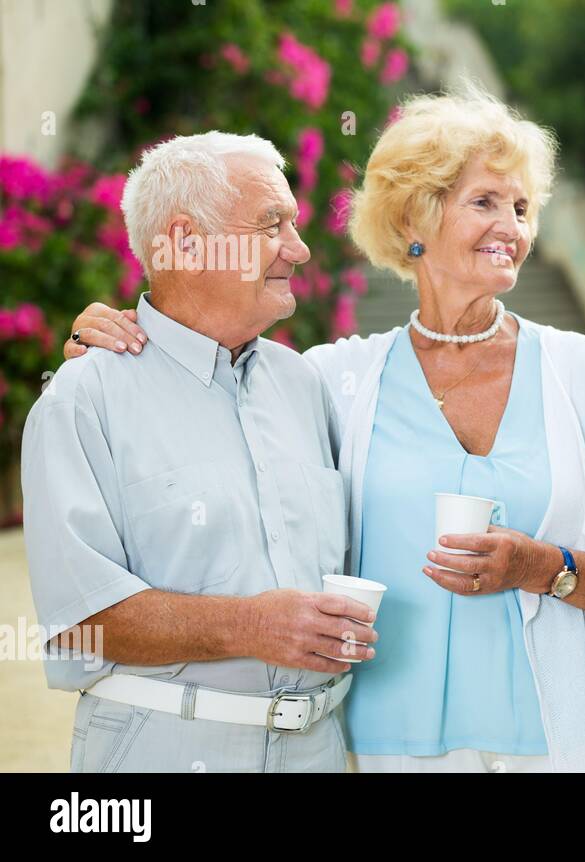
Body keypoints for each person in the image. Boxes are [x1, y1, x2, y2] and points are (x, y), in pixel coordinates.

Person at [61, 89, 585, 772]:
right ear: (416, 215)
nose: (511, 225)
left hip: (557, 746)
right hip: (381, 751)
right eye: (484, 202)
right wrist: (125, 342)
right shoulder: (330, 381)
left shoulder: (580, 370)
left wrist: (546, 569)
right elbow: (213, 385)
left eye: (521, 207)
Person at [25, 131, 377, 772]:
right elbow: (82, 624)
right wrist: (252, 626)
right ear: (185, 241)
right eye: (272, 225)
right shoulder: (84, 398)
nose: (298, 251)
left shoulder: (306, 386)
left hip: (318, 753)